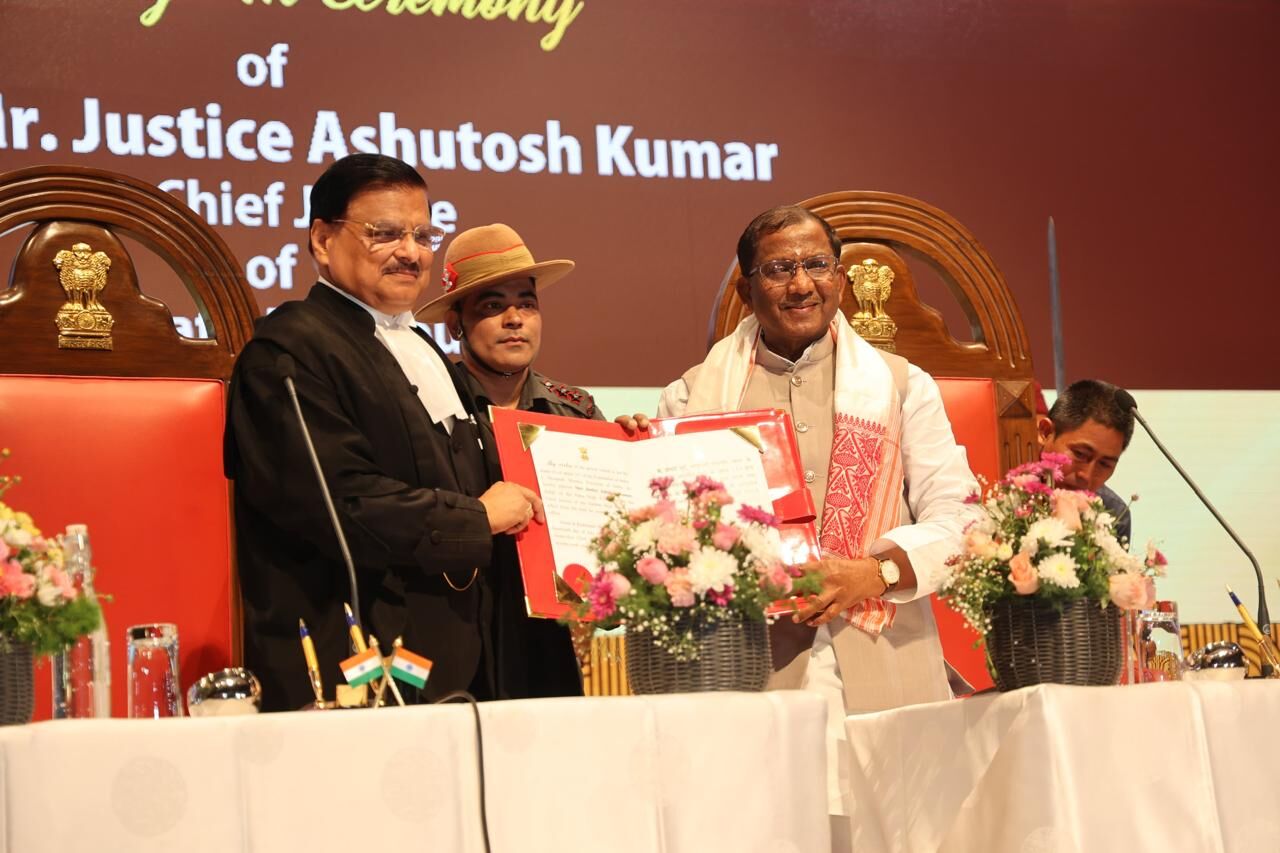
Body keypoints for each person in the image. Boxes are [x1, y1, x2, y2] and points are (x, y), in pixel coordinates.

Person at [224, 153, 544, 712]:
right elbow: (342, 501)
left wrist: (602, 448)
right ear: (323, 240)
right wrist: (477, 519)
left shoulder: (423, 348)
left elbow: (490, 477)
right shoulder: (288, 351)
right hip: (354, 668)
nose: (411, 252)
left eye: (422, 234)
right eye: (385, 233)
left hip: (457, 668)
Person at [654, 205, 981, 716]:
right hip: (747, 666)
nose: (802, 285)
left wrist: (876, 574)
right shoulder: (691, 397)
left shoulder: (903, 386)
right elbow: (671, 538)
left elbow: (961, 517)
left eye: (818, 265)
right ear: (747, 291)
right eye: (780, 270)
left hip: (887, 657)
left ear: (842, 280)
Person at [416, 223, 602, 696]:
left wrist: (632, 448)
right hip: (453, 631)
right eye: (493, 306)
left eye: (527, 303)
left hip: (551, 640)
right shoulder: (429, 409)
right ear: (456, 323)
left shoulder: (574, 411)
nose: (514, 319)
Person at [1038, 378, 1135, 542]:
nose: (1086, 476)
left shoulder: (1113, 514)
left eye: (1104, 464)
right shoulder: (1006, 491)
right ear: (1046, 433)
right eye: (1080, 454)